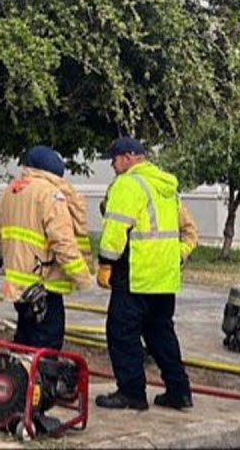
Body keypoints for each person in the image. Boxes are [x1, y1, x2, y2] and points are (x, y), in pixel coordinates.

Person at [95, 137, 199, 411]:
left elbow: (115, 229)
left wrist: (106, 263)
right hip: (164, 278)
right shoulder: (166, 186)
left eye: (115, 159)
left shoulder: (128, 184)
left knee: (121, 332)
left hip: (135, 275)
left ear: (129, 157)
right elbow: (190, 230)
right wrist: (178, 255)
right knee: (161, 334)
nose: (113, 165)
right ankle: (179, 392)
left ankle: (131, 393)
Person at [0, 145, 93, 349]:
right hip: (44, 284)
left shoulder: (11, 191)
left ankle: (20, 378)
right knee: (47, 343)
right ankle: (40, 381)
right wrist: (82, 277)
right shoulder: (50, 195)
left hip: (19, 283)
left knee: (25, 337)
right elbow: (63, 242)